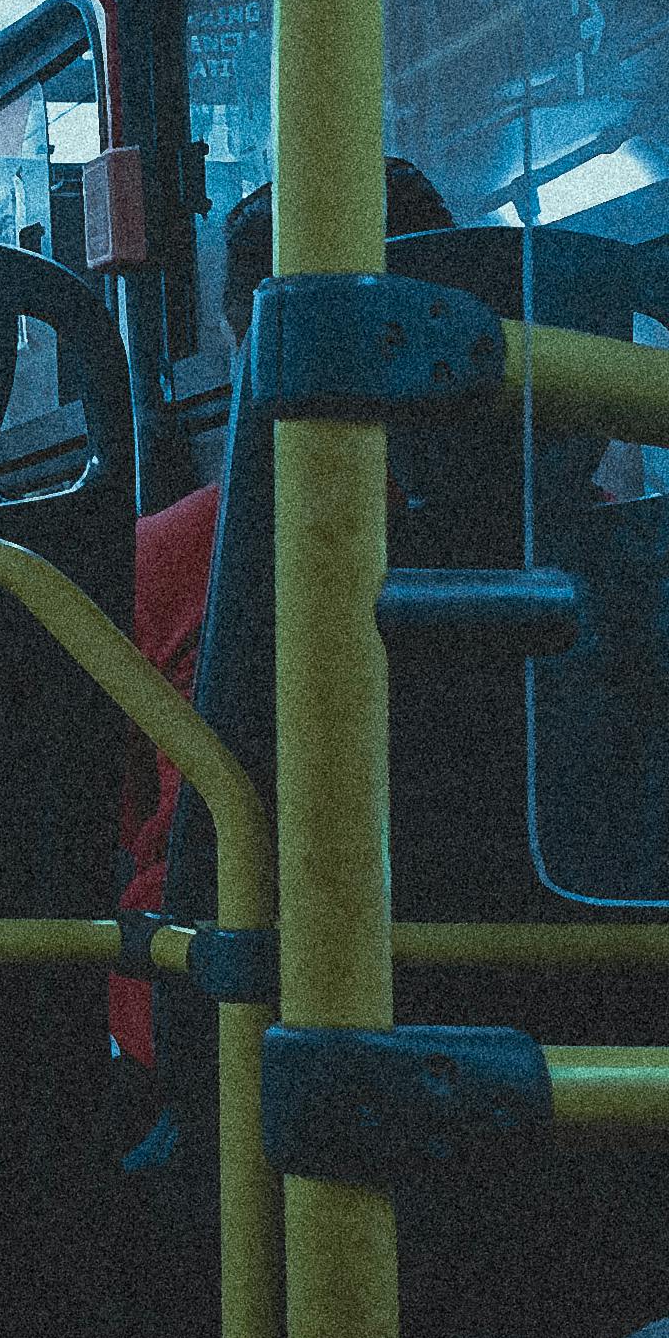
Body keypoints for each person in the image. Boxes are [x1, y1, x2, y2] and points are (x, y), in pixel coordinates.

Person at [112, 159, 453, 1064]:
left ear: (238, 334)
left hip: (232, 1006)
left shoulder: (170, 556)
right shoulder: (569, 540)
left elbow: (108, 821)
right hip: (554, 978)